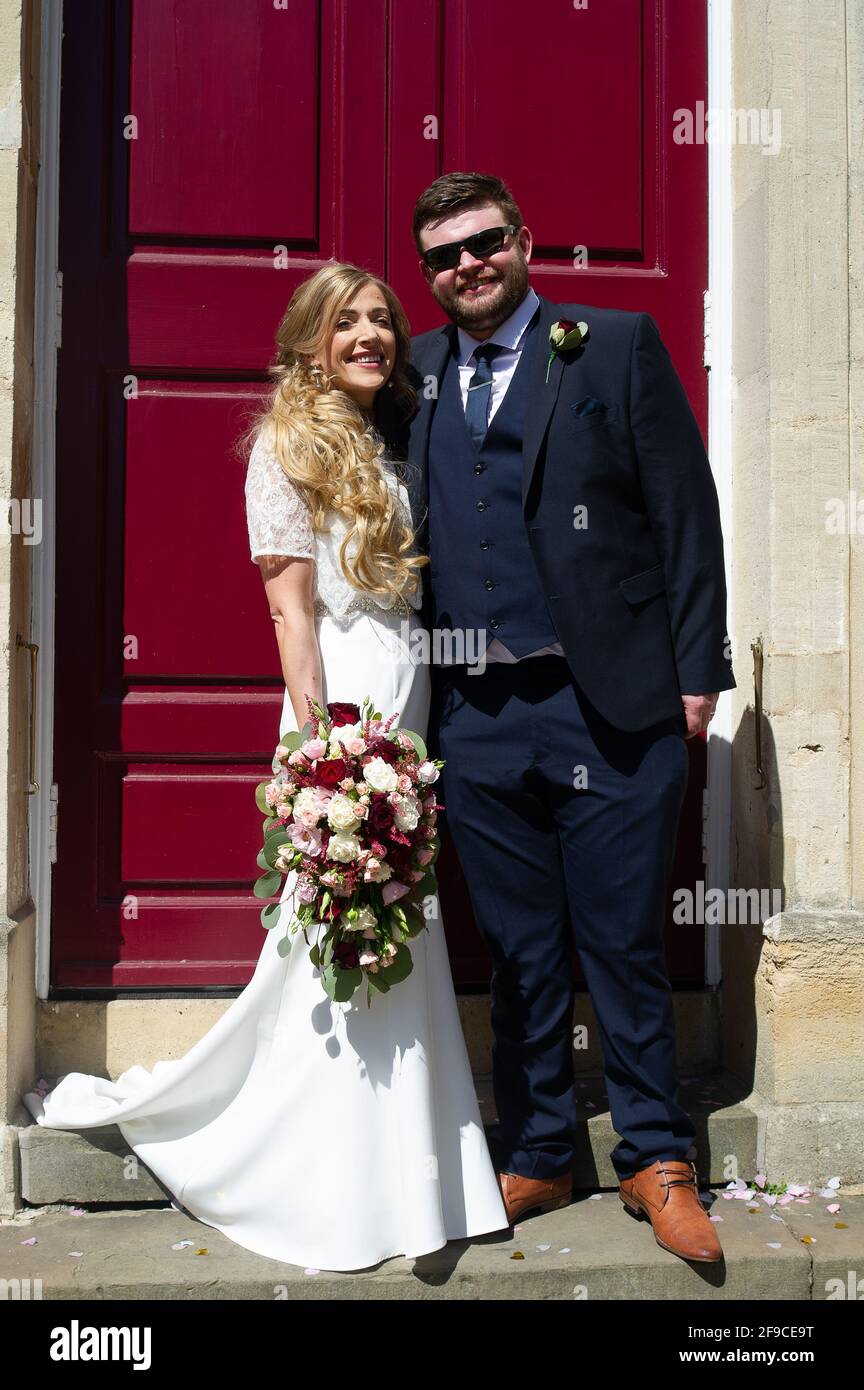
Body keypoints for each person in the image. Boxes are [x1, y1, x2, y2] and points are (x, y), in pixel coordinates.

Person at [21, 263, 510, 1271]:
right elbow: (291, 611)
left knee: (400, 922)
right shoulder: (284, 448)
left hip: (411, 699)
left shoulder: (395, 435)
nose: (372, 334)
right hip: (344, 712)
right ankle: (317, 1166)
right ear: (310, 340)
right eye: (348, 322)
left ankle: (411, 1160)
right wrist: (328, 751)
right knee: (335, 925)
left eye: (382, 319)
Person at [390, 170, 736, 1264]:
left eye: (483, 243)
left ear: (524, 239)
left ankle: (655, 1154)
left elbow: (687, 511)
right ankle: (539, 1145)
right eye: (444, 257)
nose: (468, 268)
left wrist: (700, 666)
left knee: (624, 937)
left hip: (610, 699)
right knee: (521, 948)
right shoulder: (421, 373)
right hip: (479, 712)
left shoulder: (615, 345)